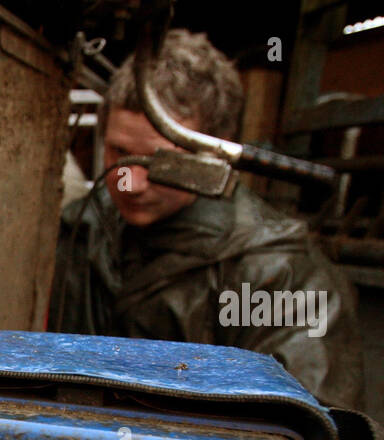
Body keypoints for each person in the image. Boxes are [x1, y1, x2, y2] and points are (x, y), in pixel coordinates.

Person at [49, 30, 364, 409]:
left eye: (162, 161)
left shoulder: (281, 278)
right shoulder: (79, 229)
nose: (131, 182)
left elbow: (305, 435)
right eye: (119, 151)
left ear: (217, 152)